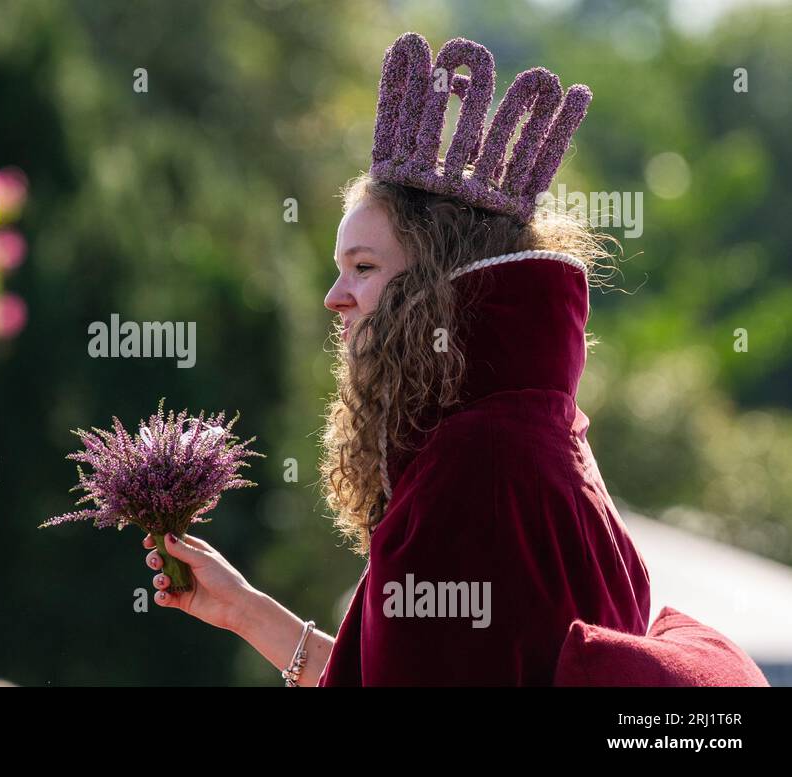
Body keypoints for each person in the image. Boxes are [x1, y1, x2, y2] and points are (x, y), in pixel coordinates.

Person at [142, 32, 651, 686]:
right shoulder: (522, 440)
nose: (334, 298)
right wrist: (245, 610)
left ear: (439, 286)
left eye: (363, 267)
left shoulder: (476, 467)